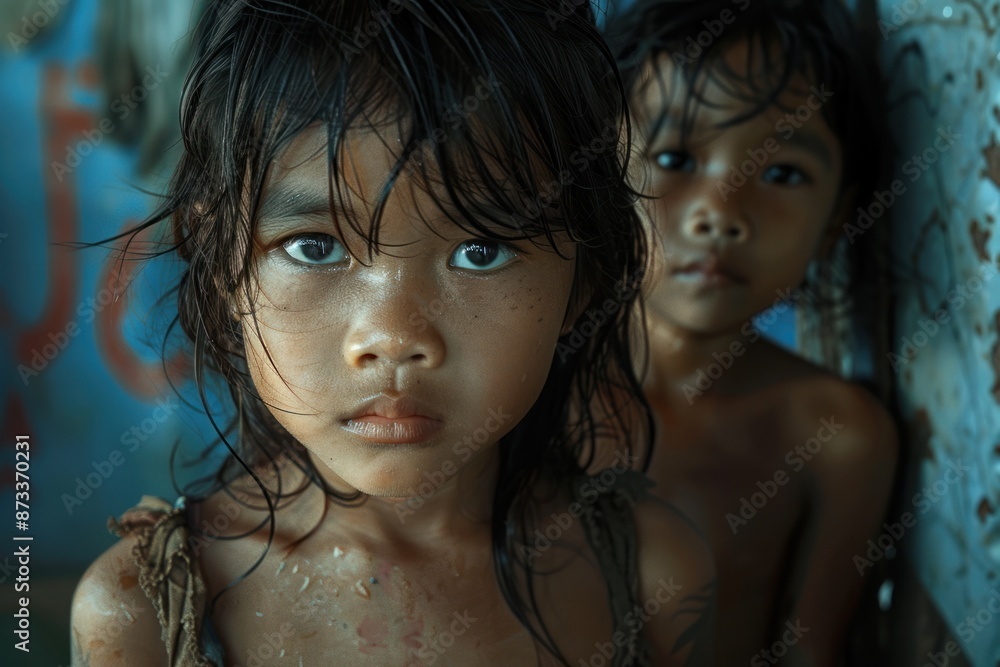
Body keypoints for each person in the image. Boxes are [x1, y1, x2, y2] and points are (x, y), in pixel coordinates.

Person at [70, 1, 716, 665]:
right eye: (314, 246)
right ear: (222, 265)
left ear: (582, 281)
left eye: (481, 250)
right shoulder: (140, 611)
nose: (391, 336)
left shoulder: (648, 576)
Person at [604, 0, 898, 664]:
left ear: (834, 221)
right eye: (676, 156)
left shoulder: (832, 432)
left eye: (782, 173)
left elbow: (810, 651)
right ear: (598, 179)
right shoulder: (526, 387)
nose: (720, 211)